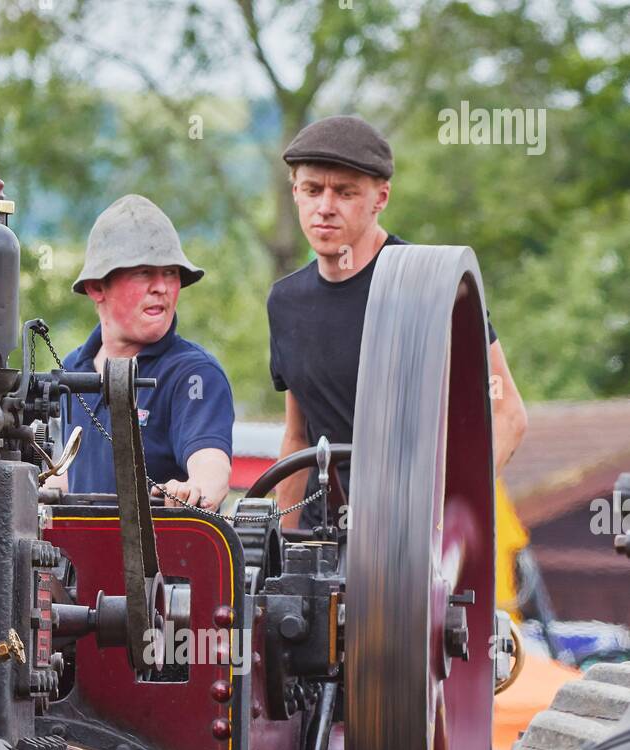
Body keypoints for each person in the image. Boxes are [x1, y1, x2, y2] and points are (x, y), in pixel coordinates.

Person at [267, 115, 528, 528]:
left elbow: (507, 413)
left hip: (412, 546)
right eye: (312, 190)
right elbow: (298, 437)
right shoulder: (286, 302)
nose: (325, 207)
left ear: (381, 197)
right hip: (324, 546)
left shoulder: (430, 285)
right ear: (295, 192)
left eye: (345, 192)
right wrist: (281, 545)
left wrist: (438, 515)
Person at [63, 195, 232, 511]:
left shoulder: (194, 373)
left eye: (170, 272)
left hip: (165, 559)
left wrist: (193, 491)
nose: (162, 287)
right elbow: (68, 477)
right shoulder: (72, 370)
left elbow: (212, 465)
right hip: (81, 558)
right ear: (96, 287)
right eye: (143, 272)